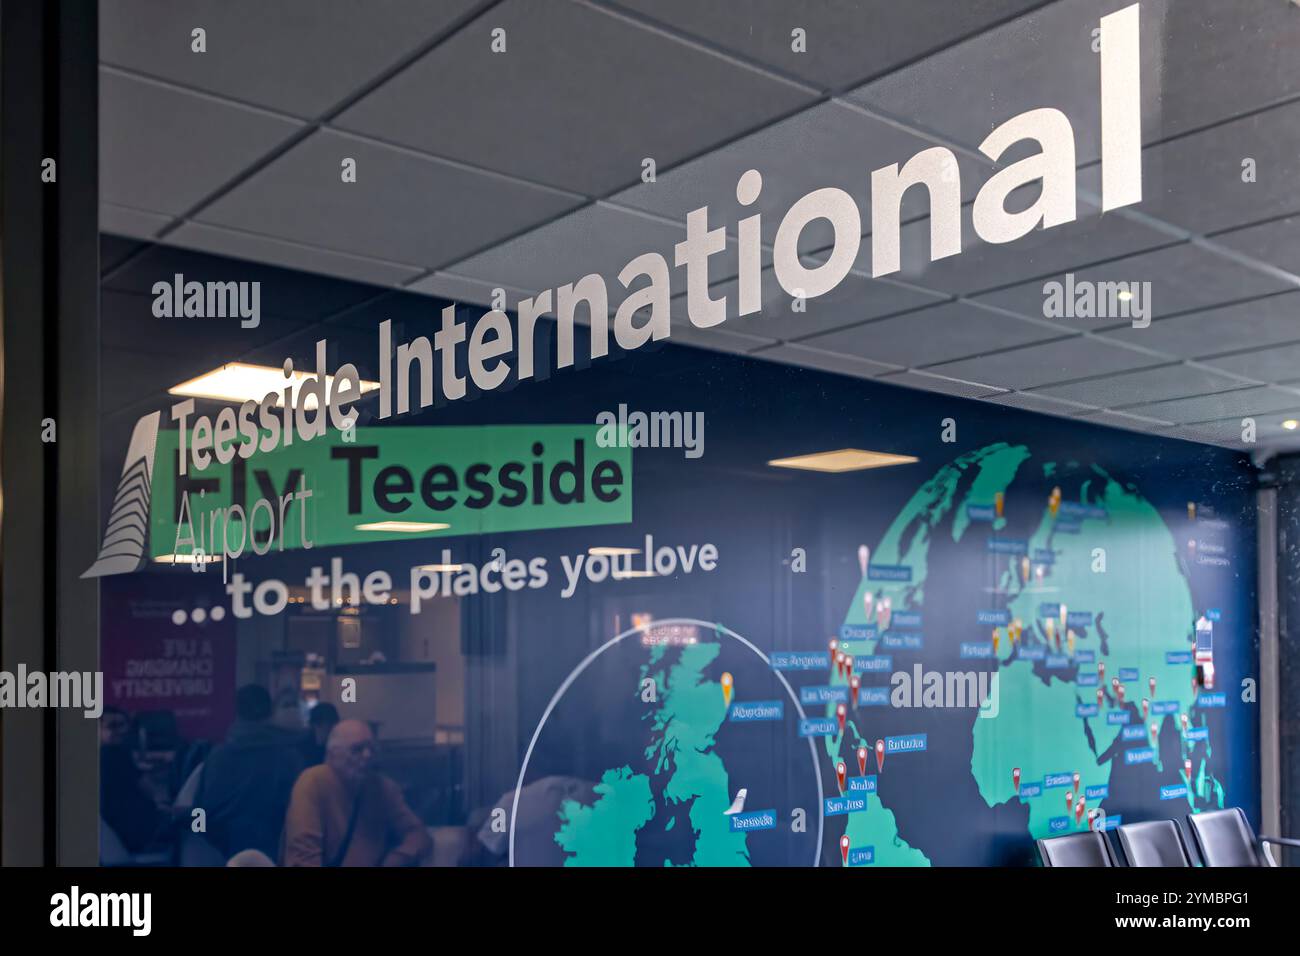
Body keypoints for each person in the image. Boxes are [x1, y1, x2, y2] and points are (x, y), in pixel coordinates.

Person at [281, 719, 431, 867]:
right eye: (357, 749)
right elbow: (303, 856)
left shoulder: (382, 788)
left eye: (371, 749)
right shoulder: (313, 782)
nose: (367, 755)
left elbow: (418, 834)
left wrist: (398, 858)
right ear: (332, 755)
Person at [195, 685, 304, 860]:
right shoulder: (290, 758)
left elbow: (199, 809)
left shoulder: (217, 756)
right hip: (275, 852)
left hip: (225, 852)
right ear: (270, 713)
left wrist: (201, 840)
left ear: (237, 712)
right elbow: (301, 812)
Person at [99, 706, 168, 854]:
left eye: (124, 725)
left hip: (115, 838)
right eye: (113, 726)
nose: (122, 731)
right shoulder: (114, 753)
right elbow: (151, 792)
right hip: (138, 837)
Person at [297, 702, 339, 766]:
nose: (333, 729)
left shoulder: (336, 748)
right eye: (330, 725)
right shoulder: (301, 751)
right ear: (317, 725)